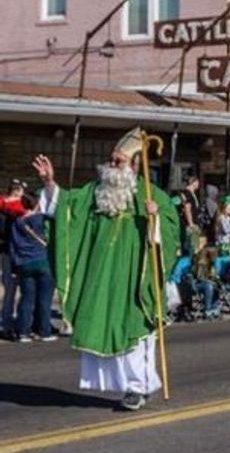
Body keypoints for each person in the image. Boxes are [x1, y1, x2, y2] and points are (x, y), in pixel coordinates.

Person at [34, 129, 180, 412]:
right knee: (102, 325)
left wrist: (156, 219)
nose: (112, 165)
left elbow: (173, 236)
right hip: (101, 279)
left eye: (119, 161)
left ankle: (138, 387)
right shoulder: (96, 192)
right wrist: (50, 183)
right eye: (112, 159)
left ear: (136, 165)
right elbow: (67, 207)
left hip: (134, 281)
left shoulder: (152, 196)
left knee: (133, 330)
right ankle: (126, 387)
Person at [10, 191, 56, 343]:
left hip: (24, 263)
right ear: (36, 203)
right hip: (43, 261)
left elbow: (13, 246)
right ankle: (44, 331)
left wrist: (14, 266)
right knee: (44, 299)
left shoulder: (17, 223)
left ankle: (23, 332)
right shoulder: (41, 219)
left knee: (26, 299)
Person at [0, 179, 27, 340]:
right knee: (15, 289)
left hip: (7, 252)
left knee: (10, 289)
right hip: (15, 253)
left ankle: (8, 322)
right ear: (17, 192)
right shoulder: (16, 209)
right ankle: (10, 324)